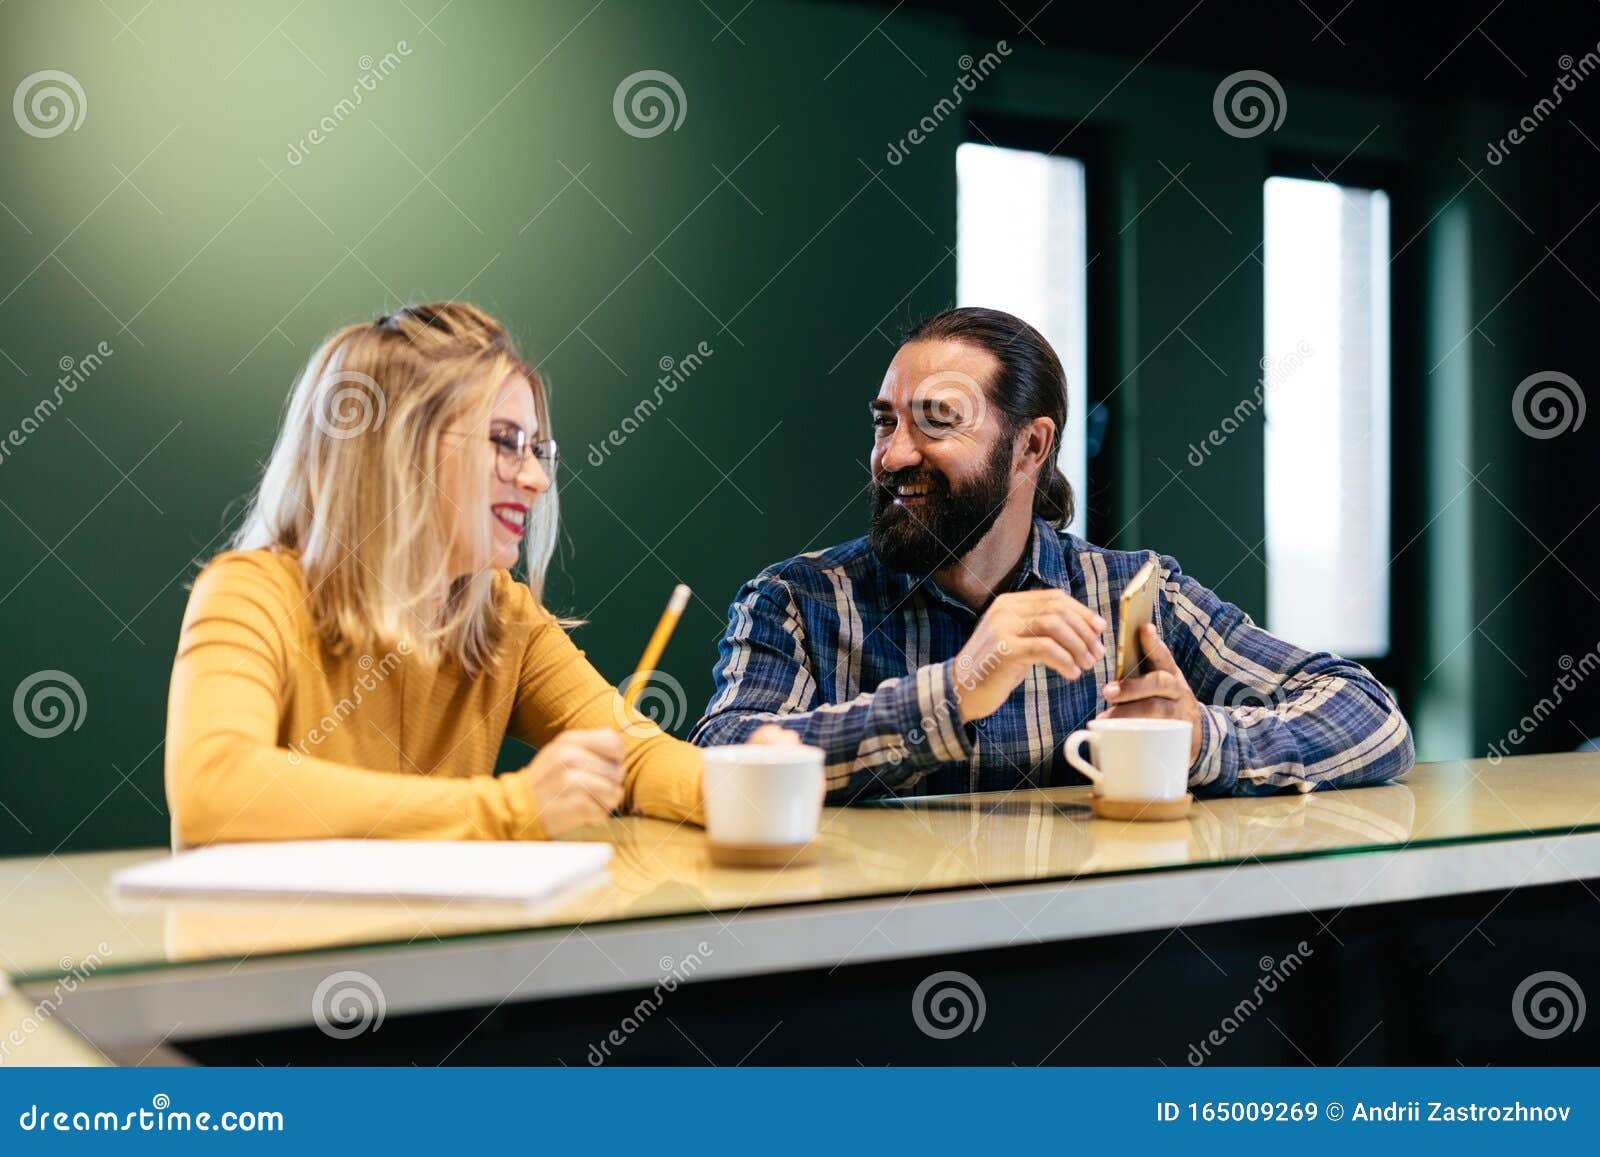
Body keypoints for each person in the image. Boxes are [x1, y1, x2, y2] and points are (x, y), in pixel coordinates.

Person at [690, 307, 1415, 801]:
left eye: (937, 422)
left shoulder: (1134, 593)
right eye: (886, 424)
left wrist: (1202, 740)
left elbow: (1371, 717)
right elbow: (718, 761)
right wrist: (954, 689)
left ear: (1030, 446)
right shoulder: (795, 600)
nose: (893, 455)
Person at [164, 302, 715, 847]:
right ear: (400, 446)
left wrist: (758, 783)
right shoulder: (250, 593)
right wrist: (514, 808)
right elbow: (215, 789)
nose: (535, 480)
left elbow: (636, 756)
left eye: (537, 450)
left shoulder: (502, 613)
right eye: (505, 442)